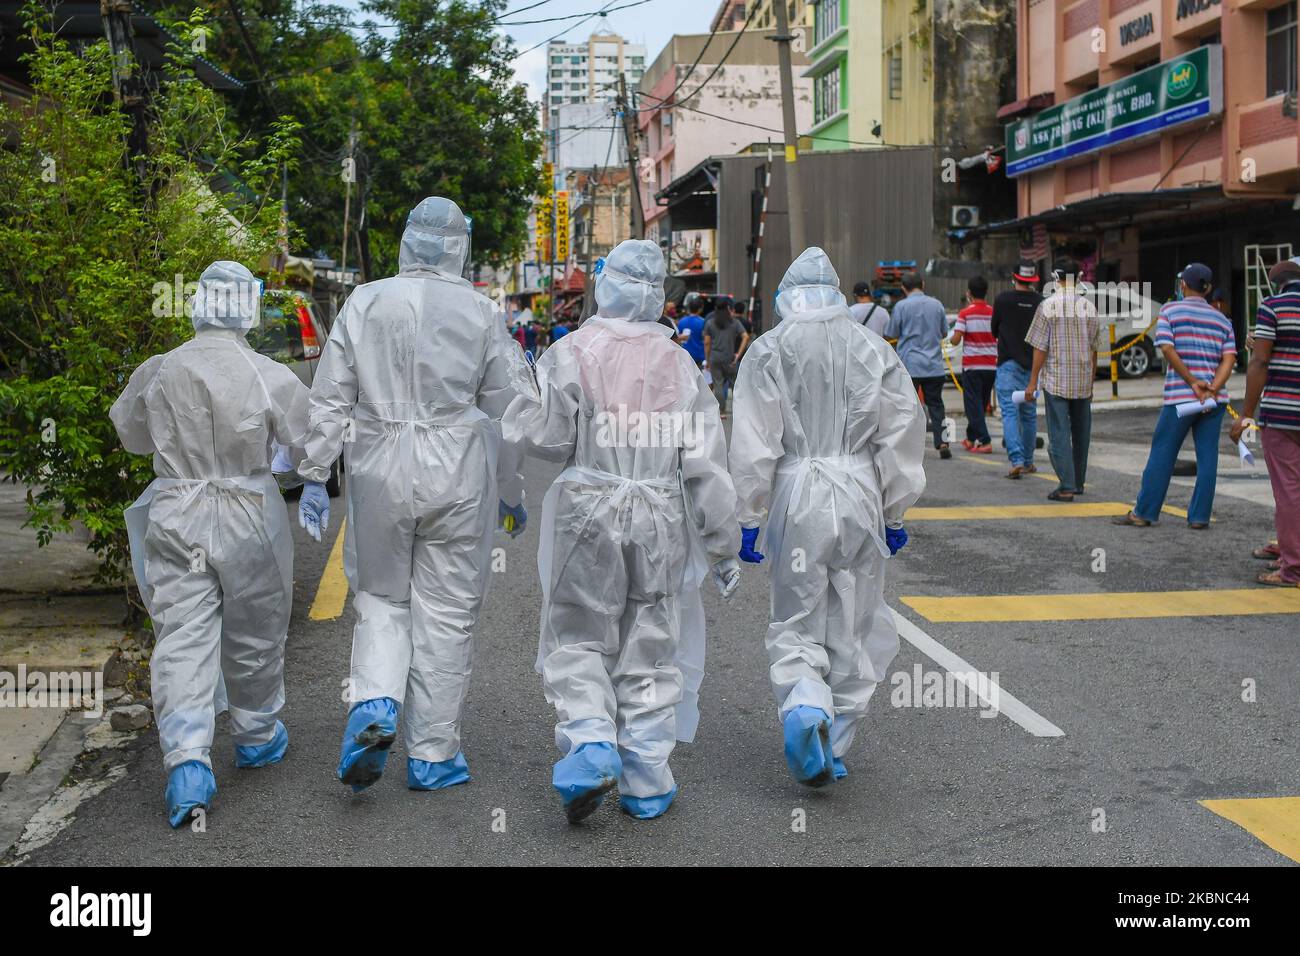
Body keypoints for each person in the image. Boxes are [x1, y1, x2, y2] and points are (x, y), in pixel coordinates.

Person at [298, 197, 536, 794]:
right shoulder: (482, 313)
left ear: (406, 240)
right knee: (448, 611)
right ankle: (431, 753)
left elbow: (330, 396)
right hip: (457, 472)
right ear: (460, 246)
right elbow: (506, 410)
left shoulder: (365, 301)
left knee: (382, 598)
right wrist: (511, 490)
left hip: (378, 467)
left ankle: (375, 704)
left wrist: (313, 471)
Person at [501, 239, 741, 821]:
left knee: (579, 633)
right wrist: (724, 543)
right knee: (652, 642)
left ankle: (590, 741)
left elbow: (551, 441)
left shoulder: (570, 351)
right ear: (658, 295)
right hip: (659, 514)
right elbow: (705, 465)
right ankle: (646, 779)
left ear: (606, 286)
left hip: (587, 507)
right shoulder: (681, 366)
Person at [111, 261, 311, 828]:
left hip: (178, 509)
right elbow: (307, 446)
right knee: (257, 624)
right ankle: (256, 734)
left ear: (198, 303)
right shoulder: (267, 373)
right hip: (249, 510)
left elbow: (130, 435)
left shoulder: (161, 369)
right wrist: (311, 477)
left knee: (183, 633)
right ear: (247, 307)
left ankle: (187, 762)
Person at [730, 248, 927, 788]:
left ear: (786, 295)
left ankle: (804, 705)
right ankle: (834, 740)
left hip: (798, 494)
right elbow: (902, 430)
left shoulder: (768, 350)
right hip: (859, 493)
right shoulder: (872, 347)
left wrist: (748, 515)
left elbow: (753, 441)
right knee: (854, 618)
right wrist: (895, 508)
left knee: (797, 616)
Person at [1114, 264, 1236, 530]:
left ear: (1183, 286)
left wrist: (1193, 382)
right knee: (1208, 457)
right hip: (1214, 401)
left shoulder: (1170, 311)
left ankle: (1144, 512)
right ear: (1208, 288)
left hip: (1181, 397)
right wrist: (1212, 388)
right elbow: (1229, 359)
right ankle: (1199, 517)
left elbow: (1167, 348)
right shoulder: (1222, 320)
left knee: (1163, 453)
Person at [1230, 257, 1300, 586]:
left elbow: (1260, 361)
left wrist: (1245, 414)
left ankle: (1294, 569)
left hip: (1284, 413)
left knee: (1289, 492)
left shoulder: (1273, 306)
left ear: (1276, 283)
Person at [1025, 257, 1105, 500]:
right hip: (1082, 380)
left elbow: (1040, 348)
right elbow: (1094, 349)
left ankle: (1067, 485)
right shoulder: (1089, 307)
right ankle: (1078, 482)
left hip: (1056, 380)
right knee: (1082, 434)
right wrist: (1091, 381)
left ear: (1055, 278)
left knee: (1059, 433)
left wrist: (1032, 381)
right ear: (1079, 278)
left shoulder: (1047, 306)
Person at [885, 272, 951, 459]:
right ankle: (943, 441)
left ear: (903, 288)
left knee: (906, 407)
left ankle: (907, 446)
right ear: (922, 284)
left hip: (909, 365)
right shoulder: (936, 304)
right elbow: (944, 332)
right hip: (933, 365)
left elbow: (891, 332)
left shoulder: (901, 306)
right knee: (937, 405)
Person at [991, 261, 1043, 478]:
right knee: (1029, 415)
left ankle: (1016, 460)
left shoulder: (1003, 300)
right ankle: (1029, 461)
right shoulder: (1041, 302)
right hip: (1032, 368)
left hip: (1007, 366)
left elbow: (994, 330)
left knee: (1010, 413)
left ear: (1014, 277)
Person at [951, 275, 997, 453]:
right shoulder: (993, 312)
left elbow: (956, 339)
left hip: (972, 366)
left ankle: (985, 441)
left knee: (972, 406)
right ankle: (970, 439)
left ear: (968, 293)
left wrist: (952, 340)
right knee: (980, 404)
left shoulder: (965, 313)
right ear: (986, 292)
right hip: (991, 366)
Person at [703, 295, 750, 417]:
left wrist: (707, 360)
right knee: (735, 384)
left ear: (716, 308)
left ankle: (722, 411)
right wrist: (738, 354)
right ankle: (739, 410)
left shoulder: (710, 323)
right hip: (730, 358)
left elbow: (707, 343)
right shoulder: (734, 323)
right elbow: (746, 336)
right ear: (728, 308)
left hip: (715, 358)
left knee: (718, 384)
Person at [676, 292, 707, 367]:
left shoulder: (681, 321)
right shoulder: (703, 322)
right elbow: (705, 339)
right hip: (699, 355)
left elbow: (678, 337)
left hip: (685, 354)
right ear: (700, 309)